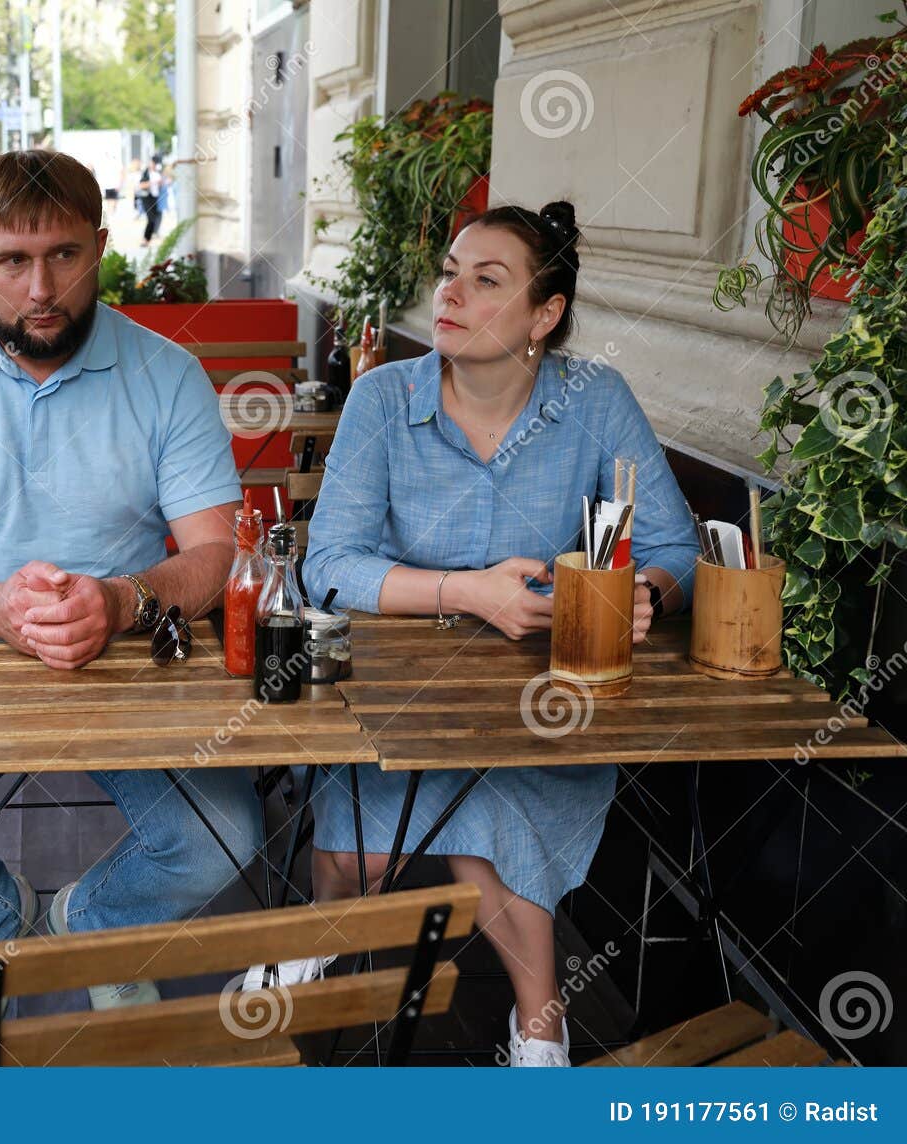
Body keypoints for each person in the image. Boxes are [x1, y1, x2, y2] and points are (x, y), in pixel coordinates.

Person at [245, 202, 700, 1067]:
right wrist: (469, 592)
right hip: (394, 697)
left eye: (487, 280)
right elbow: (328, 565)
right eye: (451, 270)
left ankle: (535, 1019)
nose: (450, 292)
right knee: (359, 859)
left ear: (545, 314)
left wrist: (641, 591)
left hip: (544, 701)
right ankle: (513, 1011)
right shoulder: (385, 397)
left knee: (482, 805)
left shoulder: (594, 400)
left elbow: (674, 546)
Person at [0, 149, 263, 1026]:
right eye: (11, 261)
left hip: (129, 656)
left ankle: (92, 926)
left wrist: (121, 601)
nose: (41, 288)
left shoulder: (166, 373)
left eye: (63, 255)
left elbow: (217, 552)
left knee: (226, 837)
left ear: (101, 246)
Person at [137, 153, 164, 247]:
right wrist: (153, 182)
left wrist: (160, 183)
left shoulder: (159, 173)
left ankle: (147, 239)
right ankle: (145, 239)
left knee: (154, 219)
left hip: (156, 198)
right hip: (147, 197)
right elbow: (141, 185)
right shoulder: (146, 172)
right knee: (151, 219)